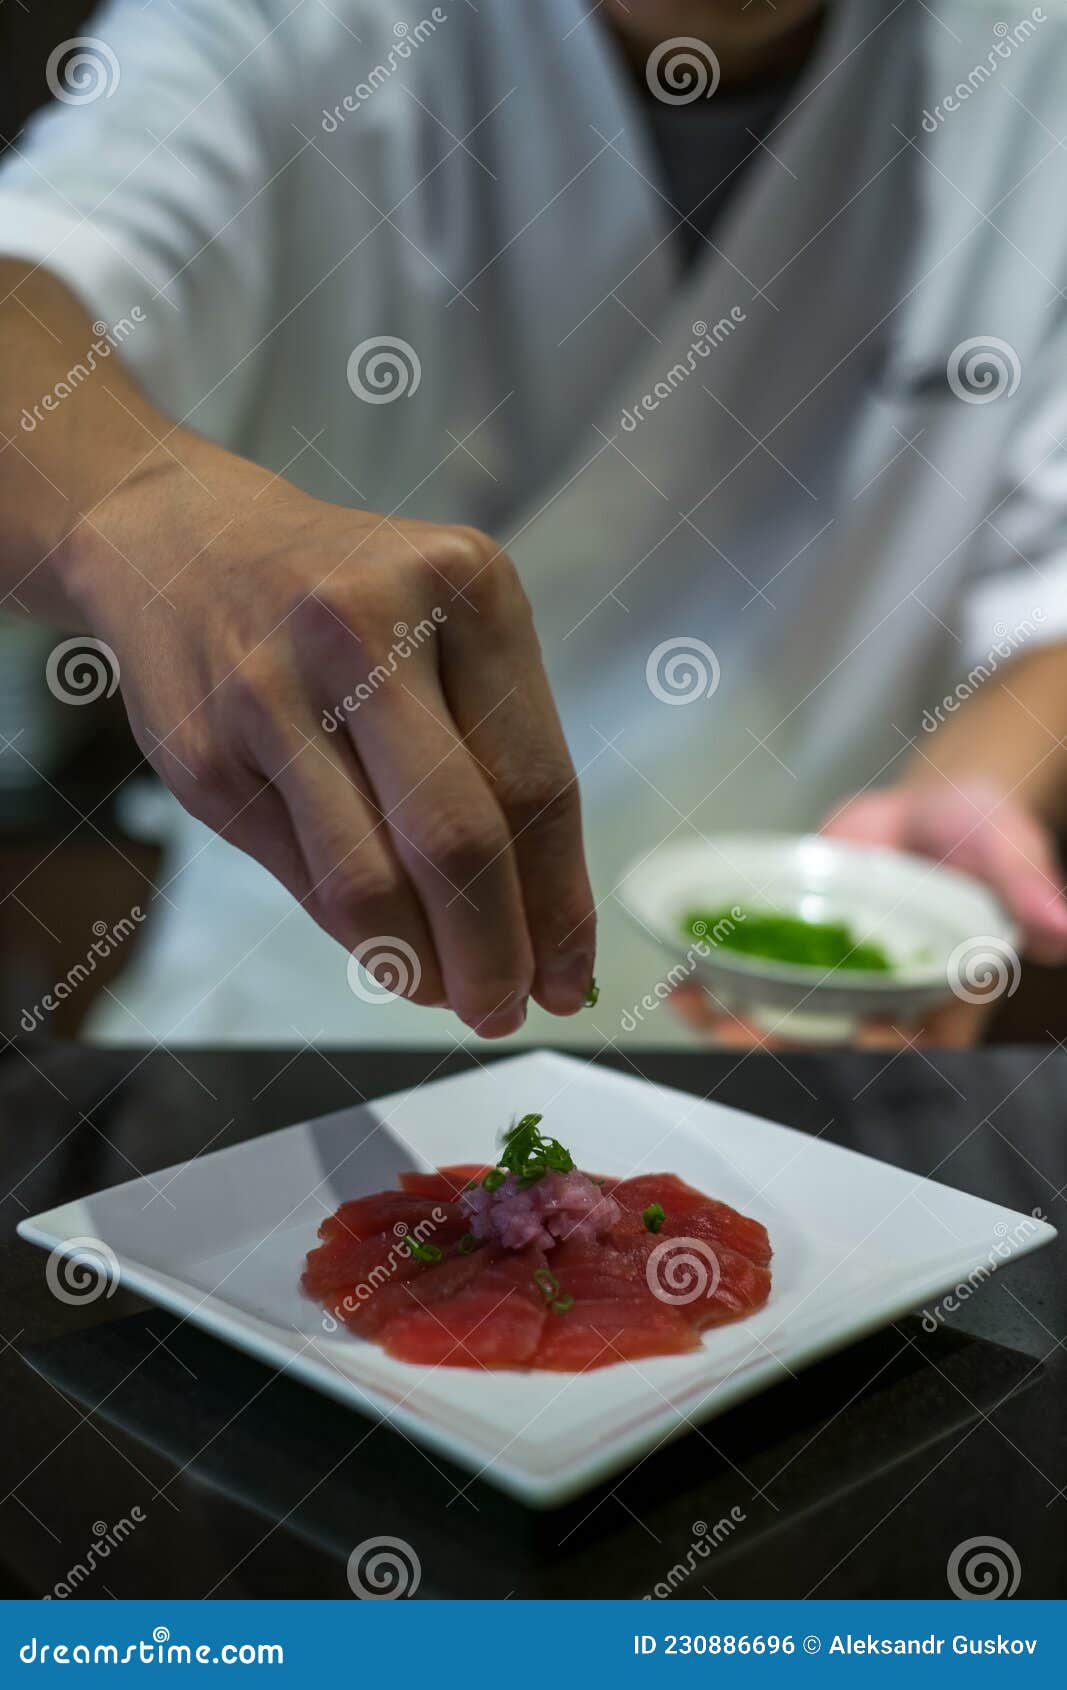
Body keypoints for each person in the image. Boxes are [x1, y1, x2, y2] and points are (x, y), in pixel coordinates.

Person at [1, 0, 1065, 1050]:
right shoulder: (284, 25)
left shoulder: (1026, 53)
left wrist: (977, 786)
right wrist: (144, 511)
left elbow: (1045, 585)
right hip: (291, 1032)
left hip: (783, 1032)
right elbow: (35, 277)